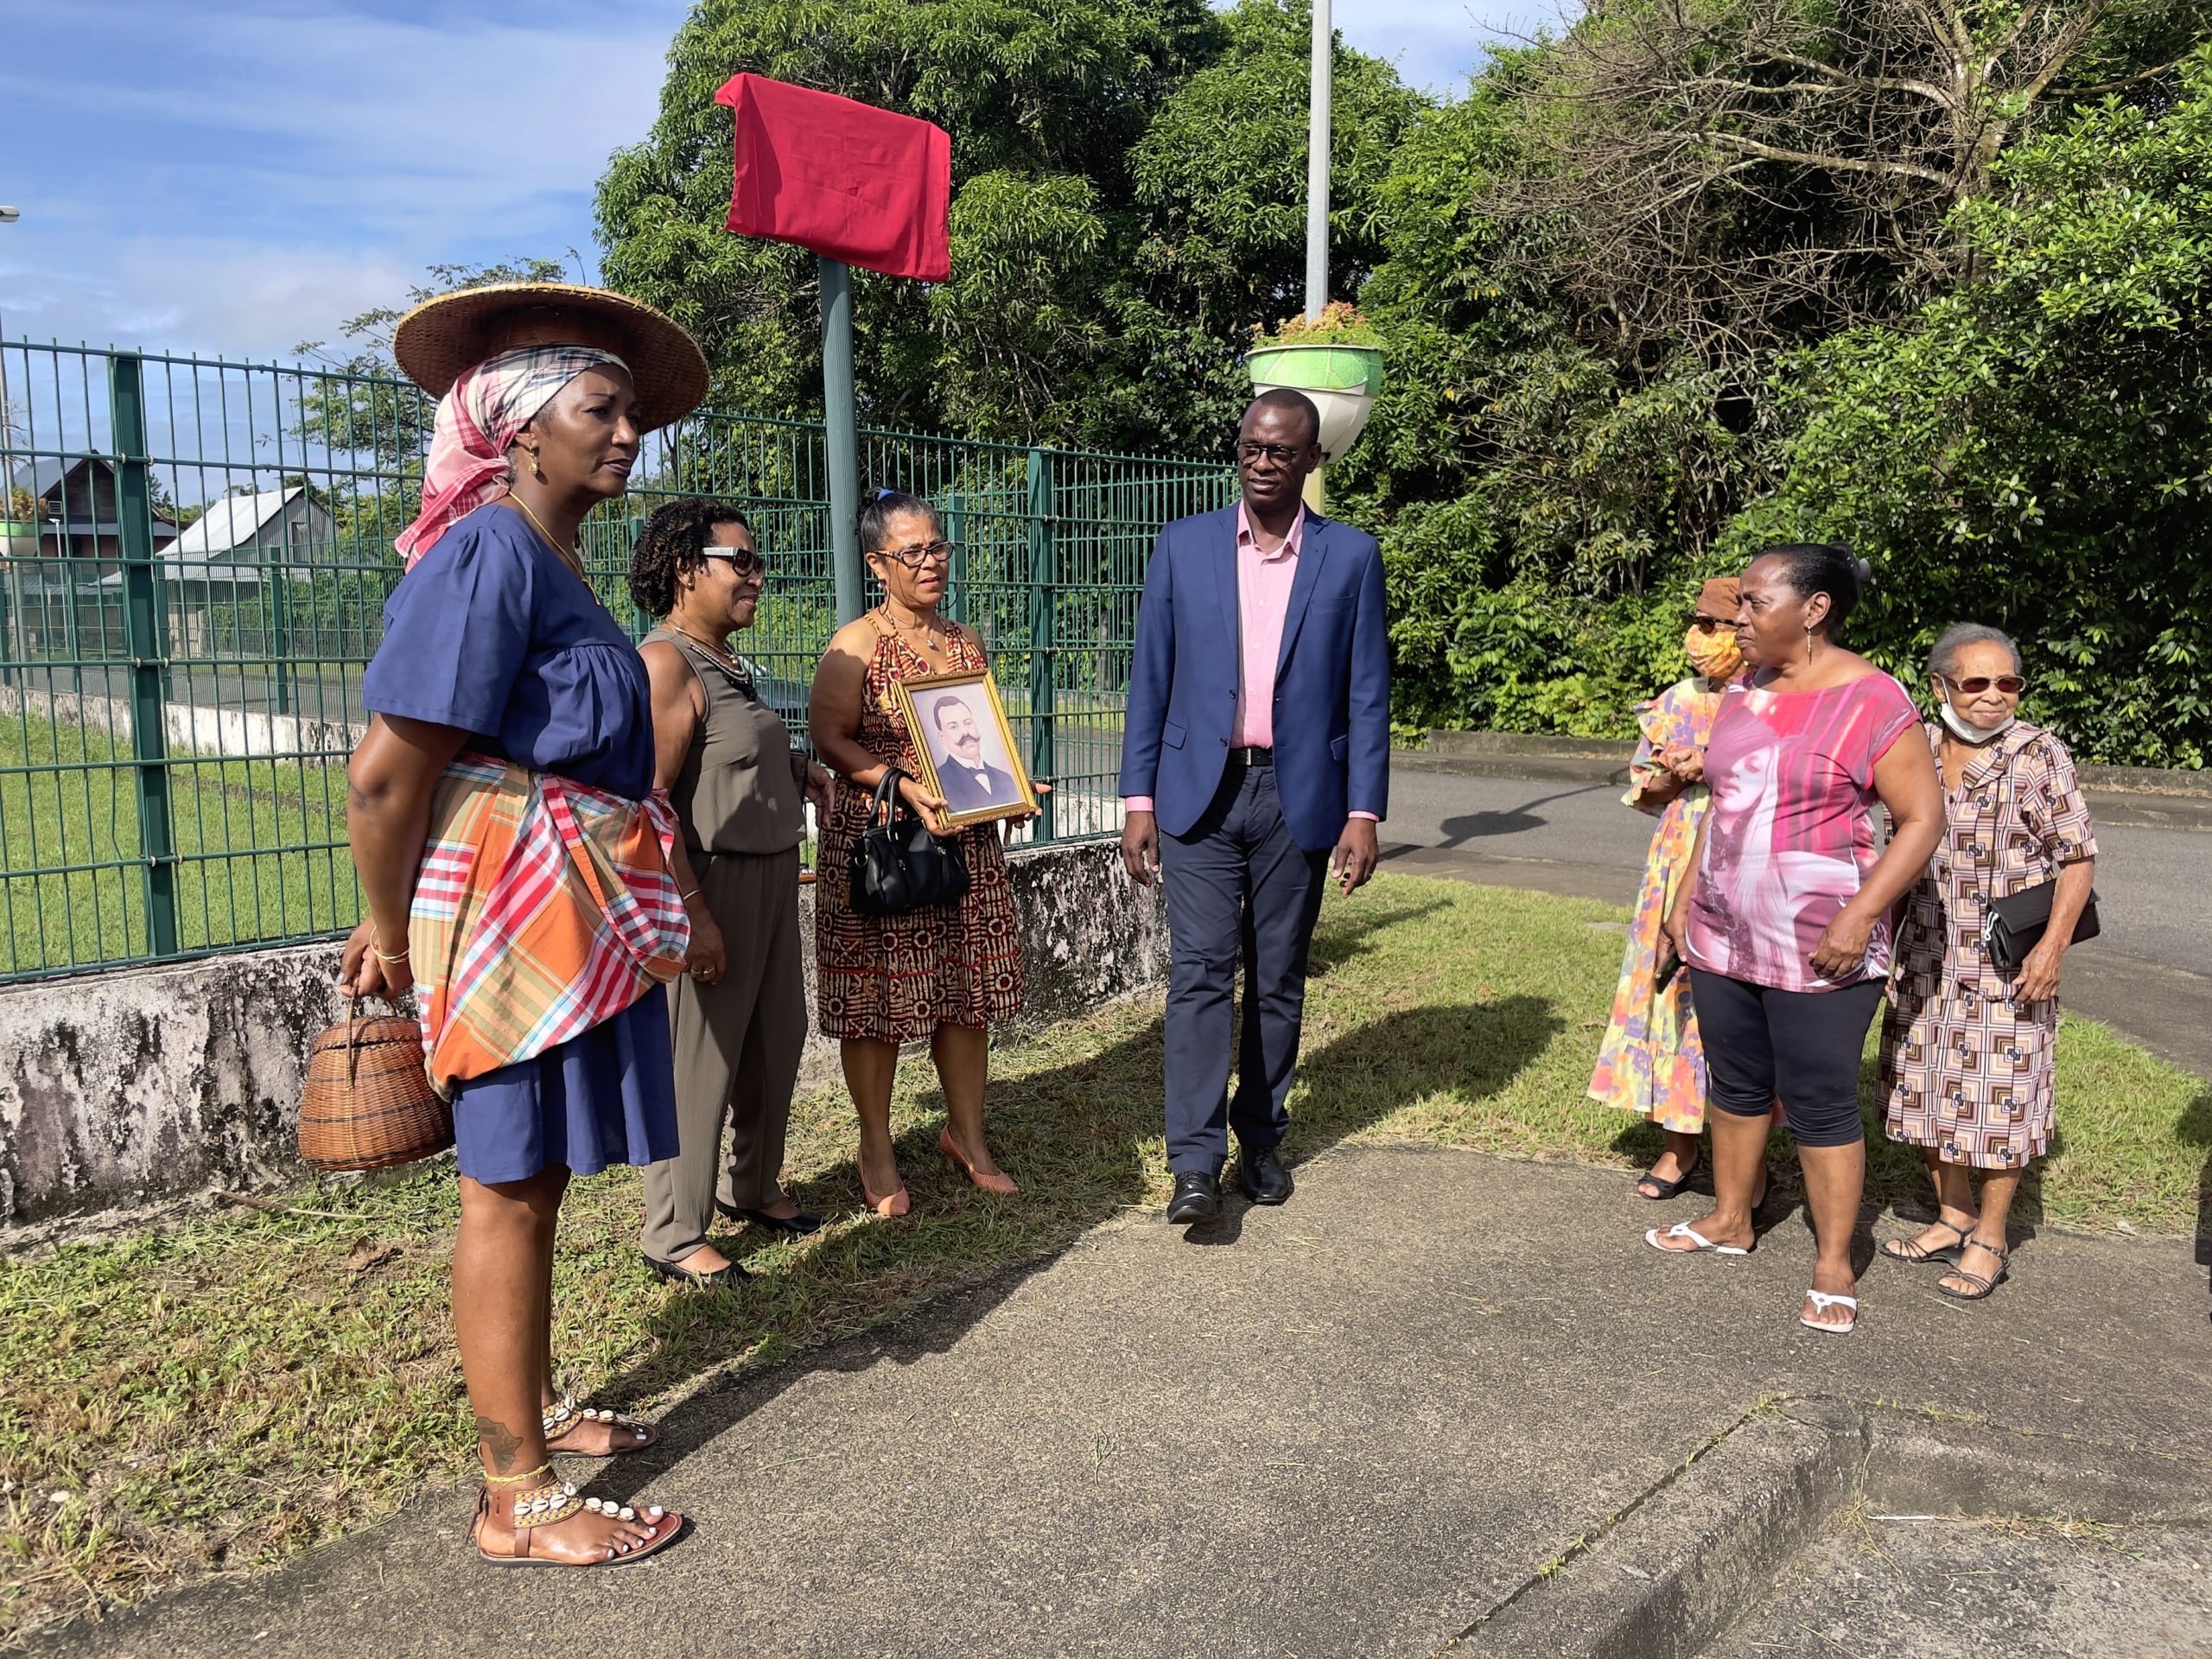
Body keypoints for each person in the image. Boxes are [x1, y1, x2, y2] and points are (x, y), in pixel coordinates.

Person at [340, 282, 709, 1565]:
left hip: (561, 898)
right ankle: (516, 1493)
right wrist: (386, 931)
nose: (627, 435)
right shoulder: (492, 550)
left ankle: (537, 1408)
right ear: (520, 429)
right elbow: (387, 770)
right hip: (511, 905)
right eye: (600, 411)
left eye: (628, 414)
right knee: (506, 1184)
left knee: (537, 1177)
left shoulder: (551, 561)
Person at [1649, 543, 1944, 1335]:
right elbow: (1725, 802)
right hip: (1723, 928)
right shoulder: (1745, 690)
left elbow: (1923, 821)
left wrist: (1859, 916)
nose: (1736, 618)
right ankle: (1731, 1220)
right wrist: (1683, 901)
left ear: (1814, 610)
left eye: (1752, 603)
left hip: (1823, 942)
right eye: (1737, 603)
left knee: (1817, 1102)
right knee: (1738, 1084)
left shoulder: (1874, 699)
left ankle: (1833, 1263)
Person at [1119, 388, 1390, 1224]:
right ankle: (1193, 1163)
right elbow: (1150, 679)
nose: (1262, 462)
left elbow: (1368, 693)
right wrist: (1137, 798)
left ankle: (1261, 1138)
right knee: (1199, 974)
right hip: (1197, 795)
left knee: (1277, 980)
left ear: (1312, 460)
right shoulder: (1183, 545)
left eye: (1280, 451)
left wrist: (1363, 812)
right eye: (1250, 447)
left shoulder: (1349, 558)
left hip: (1298, 796)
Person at [629, 497, 834, 1287]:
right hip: (712, 881)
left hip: (775, 873)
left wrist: (795, 771)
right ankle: (674, 1232)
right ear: (687, 570)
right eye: (739, 562)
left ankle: (752, 1186)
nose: (757, 576)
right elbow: (650, 800)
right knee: (699, 1057)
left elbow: (729, 756)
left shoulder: (723, 663)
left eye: (757, 561)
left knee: (776, 1037)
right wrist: (694, 914)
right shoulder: (666, 664)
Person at [807, 489, 1029, 1213]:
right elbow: (830, 740)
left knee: (966, 996)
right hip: (887, 845)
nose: (931, 562)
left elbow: (980, 735)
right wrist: (897, 785)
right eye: (913, 552)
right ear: (878, 564)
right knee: (877, 1004)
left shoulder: (963, 641)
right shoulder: (857, 643)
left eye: (938, 547)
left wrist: (1013, 784)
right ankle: (876, 1147)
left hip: (965, 840)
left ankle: (967, 1135)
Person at [1877, 623, 2097, 1301]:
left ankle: (1991, 1238)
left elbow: (2077, 857)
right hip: (1925, 951)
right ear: (1941, 685)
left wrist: (2053, 948)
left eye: (2008, 683)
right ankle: (1952, 1214)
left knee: (2001, 1104)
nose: (1994, 696)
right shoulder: (1913, 747)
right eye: (1976, 683)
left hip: (2008, 960)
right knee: (1921, 1086)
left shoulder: (2036, 755)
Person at [1588, 577, 1744, 1198]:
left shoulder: (1768, 700)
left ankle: (1745, 1165)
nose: (1700, 637)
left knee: (1731, 1006)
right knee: (1667, 993)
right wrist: (1671, 773)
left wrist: (1713, 761)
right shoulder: (1679, 697)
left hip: (1744, 860)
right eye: (1697, 623)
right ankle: (1678, 1148)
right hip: (1676, 858)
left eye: (1715, 625)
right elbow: (1643, 789)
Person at [929, 694, 1020, 813]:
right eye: (953, 727)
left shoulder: (1005, 779)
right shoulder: (939, 783)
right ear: (942, 736)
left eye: (968, 723)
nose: (965, 732)